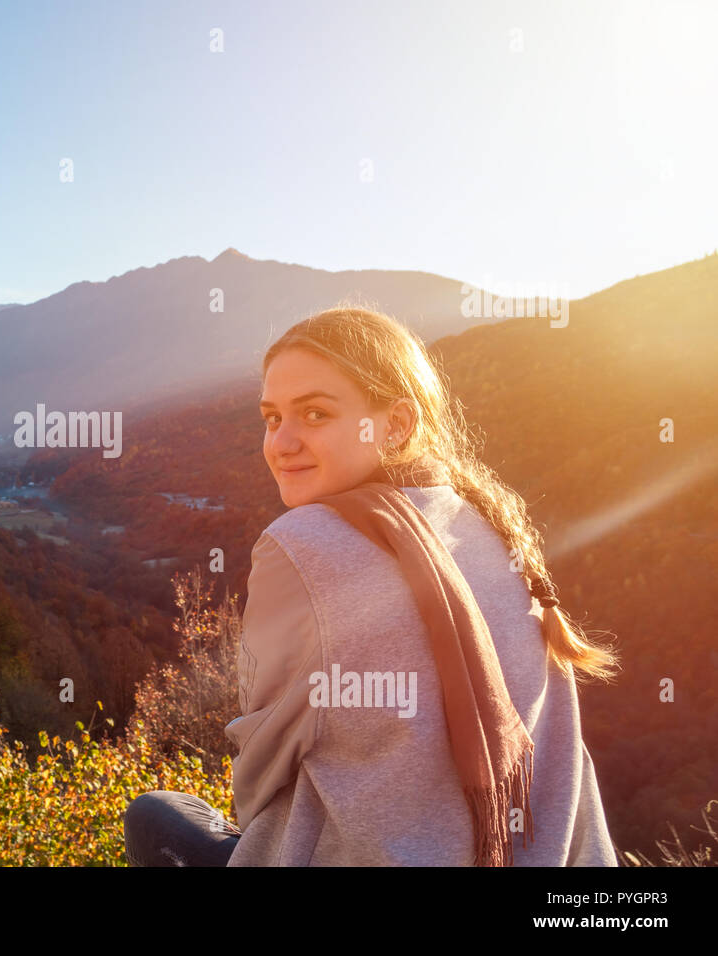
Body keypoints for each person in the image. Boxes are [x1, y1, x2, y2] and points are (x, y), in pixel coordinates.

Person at [124, 306, 620, 866]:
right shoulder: (492, 522)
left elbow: (260, 773)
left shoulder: (300, 542)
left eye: (314, 413)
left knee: (153, 814)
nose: (281, 443)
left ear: (398, 424)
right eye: (270, 418)